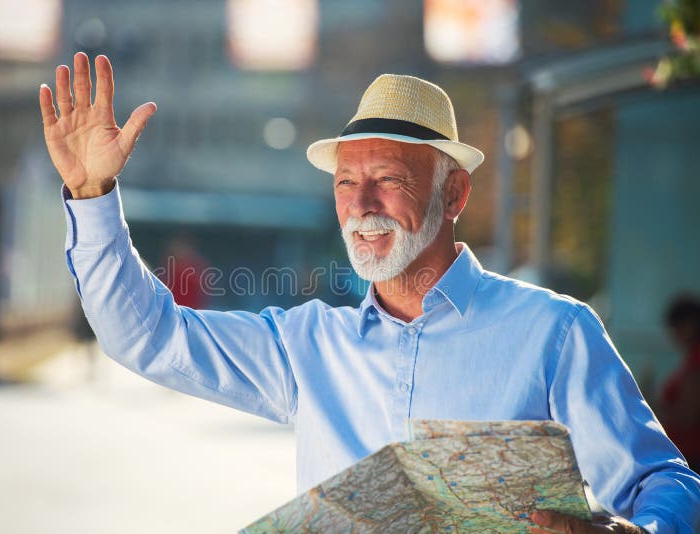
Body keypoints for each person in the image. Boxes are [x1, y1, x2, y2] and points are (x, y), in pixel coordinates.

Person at [39, 52, 699, 533]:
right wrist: (93, 197)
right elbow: (147, 336)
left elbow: (667, 484)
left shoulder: (553, 332)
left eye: (387, 179)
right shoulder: (307, 346)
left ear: (455, 194)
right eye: (346, 184)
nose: (362, 206)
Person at [661, 294, 700, 470]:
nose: (673, 335)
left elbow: (688, 414)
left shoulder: (696, 359)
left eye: (676, 327)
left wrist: (652, 410)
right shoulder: (691, 358)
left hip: (691, 455)